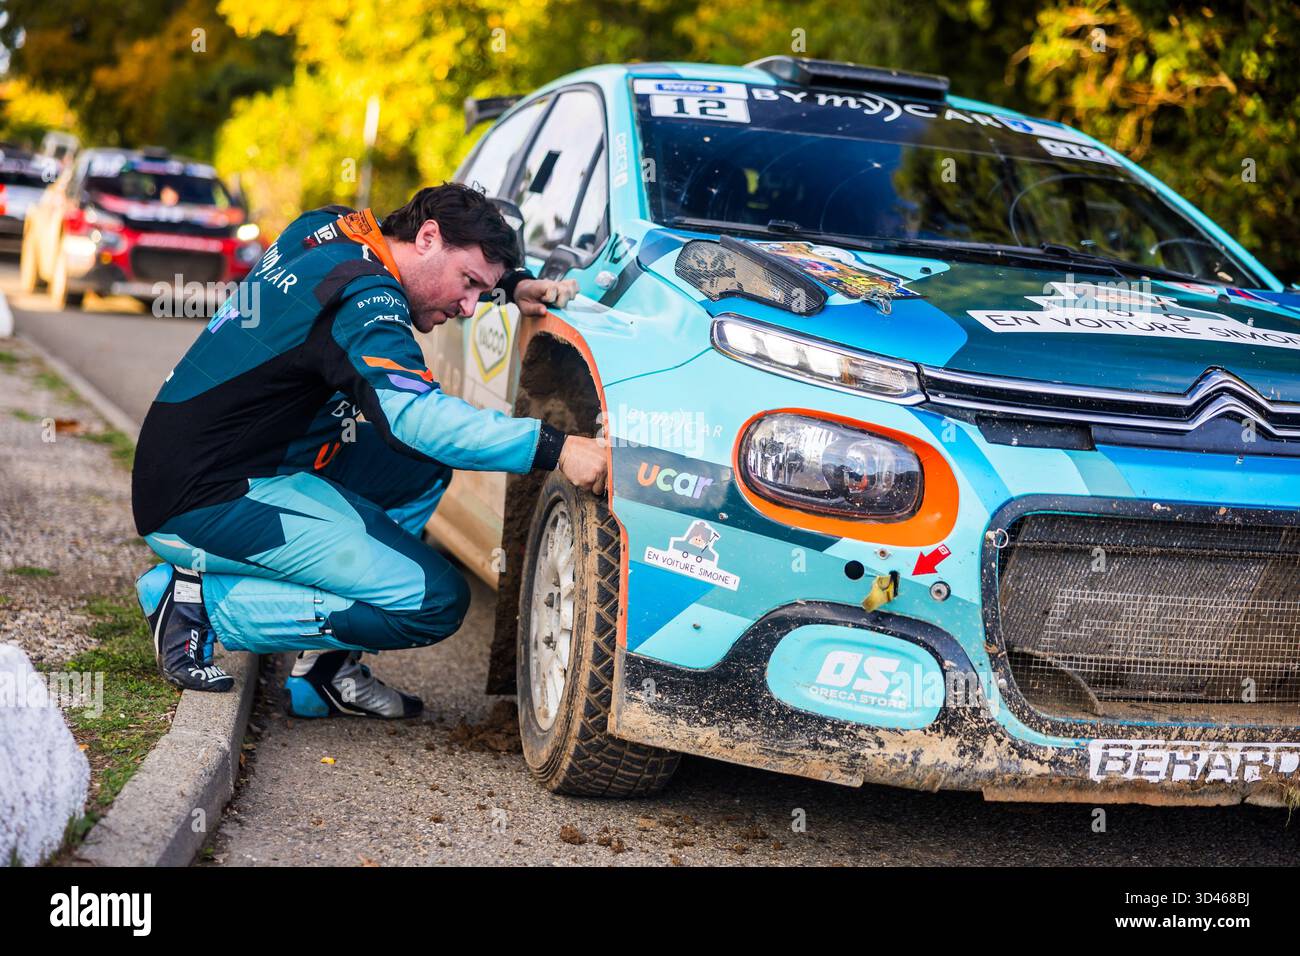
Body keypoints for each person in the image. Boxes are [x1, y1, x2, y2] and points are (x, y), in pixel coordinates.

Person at [130, 183, 605, 718]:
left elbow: (431, 262)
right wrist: (557, 447)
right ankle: (196, 607)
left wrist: (510, 285)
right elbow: (416, 419)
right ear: (427, 237)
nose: (470, 307)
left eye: (481, 290)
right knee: (433, 603)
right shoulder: (366, 304)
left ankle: (325, 672)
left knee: (417, 470)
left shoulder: (329, 228)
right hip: (205, 498)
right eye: (468, 284)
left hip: (209, 461)